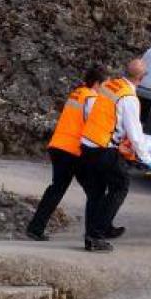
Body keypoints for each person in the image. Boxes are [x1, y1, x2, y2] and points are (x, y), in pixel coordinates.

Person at [80, 58, 151, 252]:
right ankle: (96, 235)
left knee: (97, 193)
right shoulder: (129, 98)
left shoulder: (111, 86)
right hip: (104, 148)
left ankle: (97, 232)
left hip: (88, 144)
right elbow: (135, 132)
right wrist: (147, 158)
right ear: (142, 78)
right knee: (120, 186)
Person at [26, 65, 107, 241]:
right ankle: (98, 231)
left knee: (57, 188)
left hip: (58, 146)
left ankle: (35, 227)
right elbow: (92, 127)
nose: (105, 90)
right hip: (73, 151)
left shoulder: (77, 94)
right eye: (104, 86)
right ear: (97, 83)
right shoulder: (92, 99)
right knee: (95, 191)